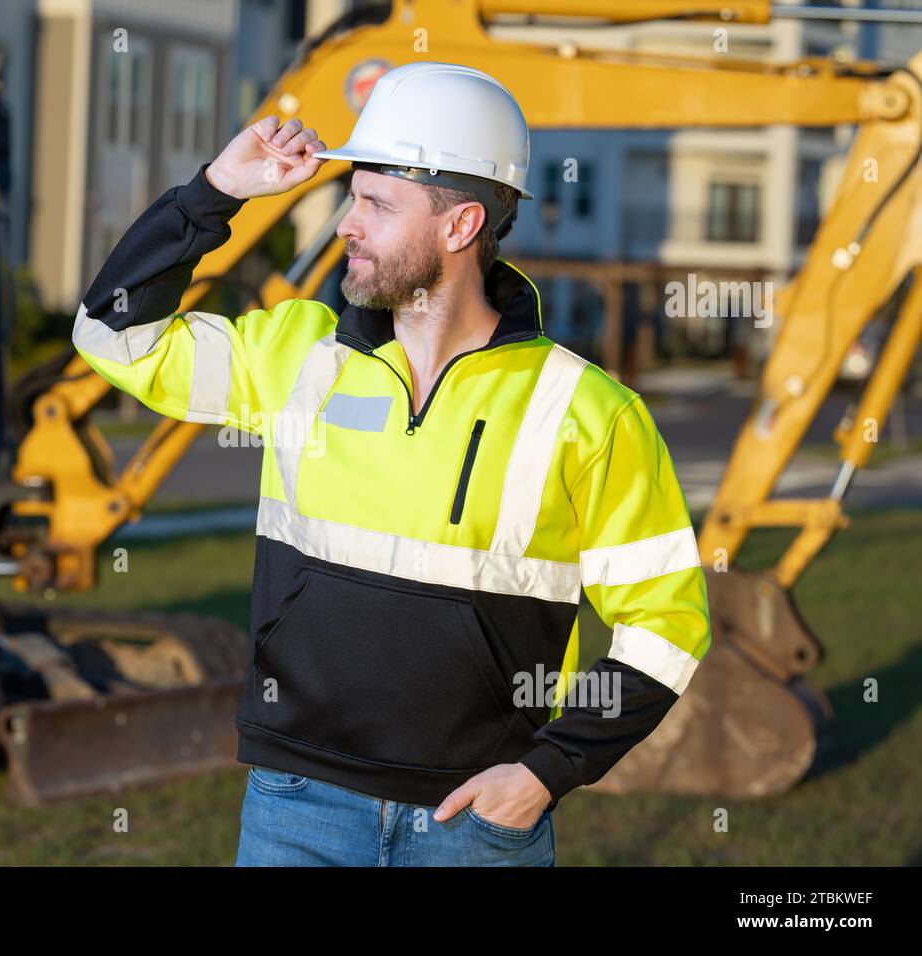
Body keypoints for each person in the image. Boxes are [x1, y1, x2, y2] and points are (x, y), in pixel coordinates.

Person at [72, 62, 711, 867]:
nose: (347, 224)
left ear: (460, 225)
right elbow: (111, 335)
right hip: (295, 809)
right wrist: (215, 193)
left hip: (478, 826)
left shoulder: (589, 411)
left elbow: (666, 627)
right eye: (352, 197)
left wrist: (546, 774)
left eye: (375, 203)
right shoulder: (296, 352)